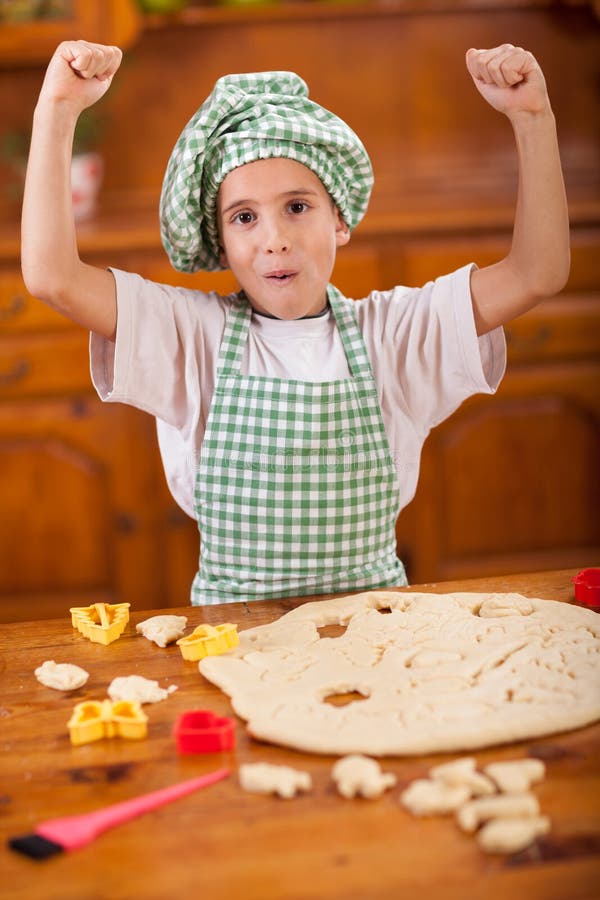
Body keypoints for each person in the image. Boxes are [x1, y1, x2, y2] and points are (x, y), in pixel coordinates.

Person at [21, 41, 570, 605]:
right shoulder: (192, 338)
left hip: (378, 637)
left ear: (339, 217)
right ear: (222, 241)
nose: (274, 238)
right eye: (244, 217)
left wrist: (532, 118)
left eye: (298, 207)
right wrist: (58, 111)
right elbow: (51, 276)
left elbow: (537, 272)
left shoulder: (395, 336)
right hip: (237, 644)